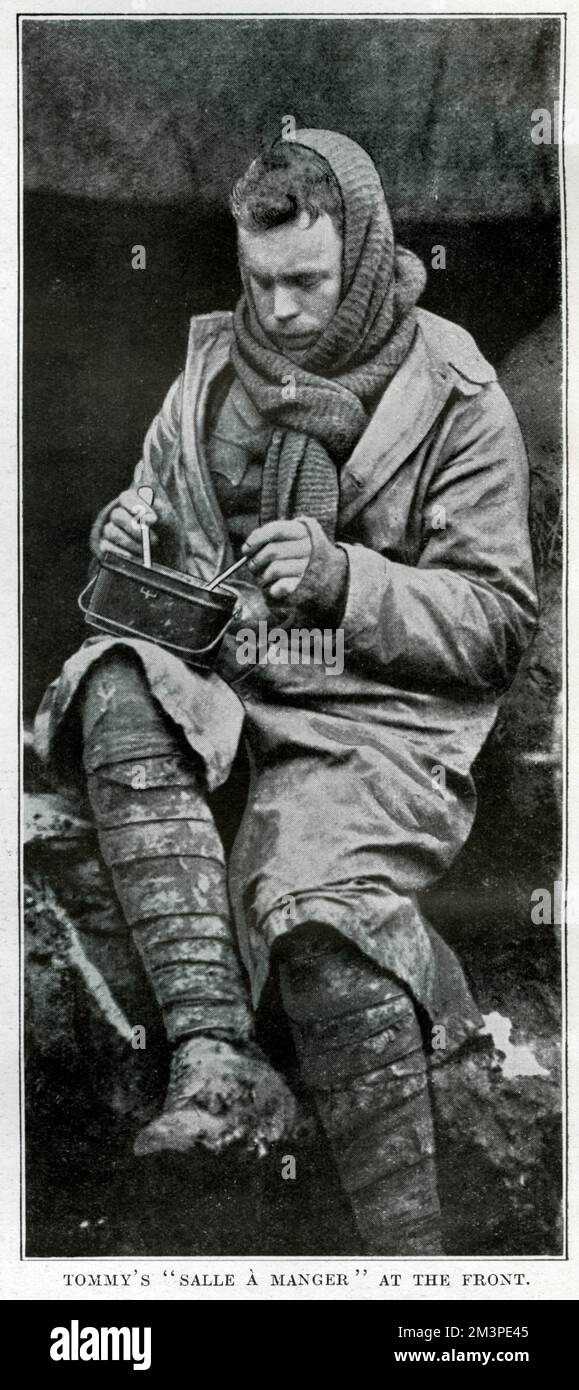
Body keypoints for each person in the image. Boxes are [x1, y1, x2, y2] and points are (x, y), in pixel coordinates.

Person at [34, 129, 538, 1255]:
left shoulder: (454, 394)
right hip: (232, 680)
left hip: (372, 720)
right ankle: (217, 1061)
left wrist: (344, 577)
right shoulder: (216, 369)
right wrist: (133, 530)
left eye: (307, 281)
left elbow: (498, 626)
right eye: (260, 281)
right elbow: (167, 522)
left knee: (318, 920)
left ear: (361, 255)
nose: (281, 310)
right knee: (114, 677)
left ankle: (414, 1276)